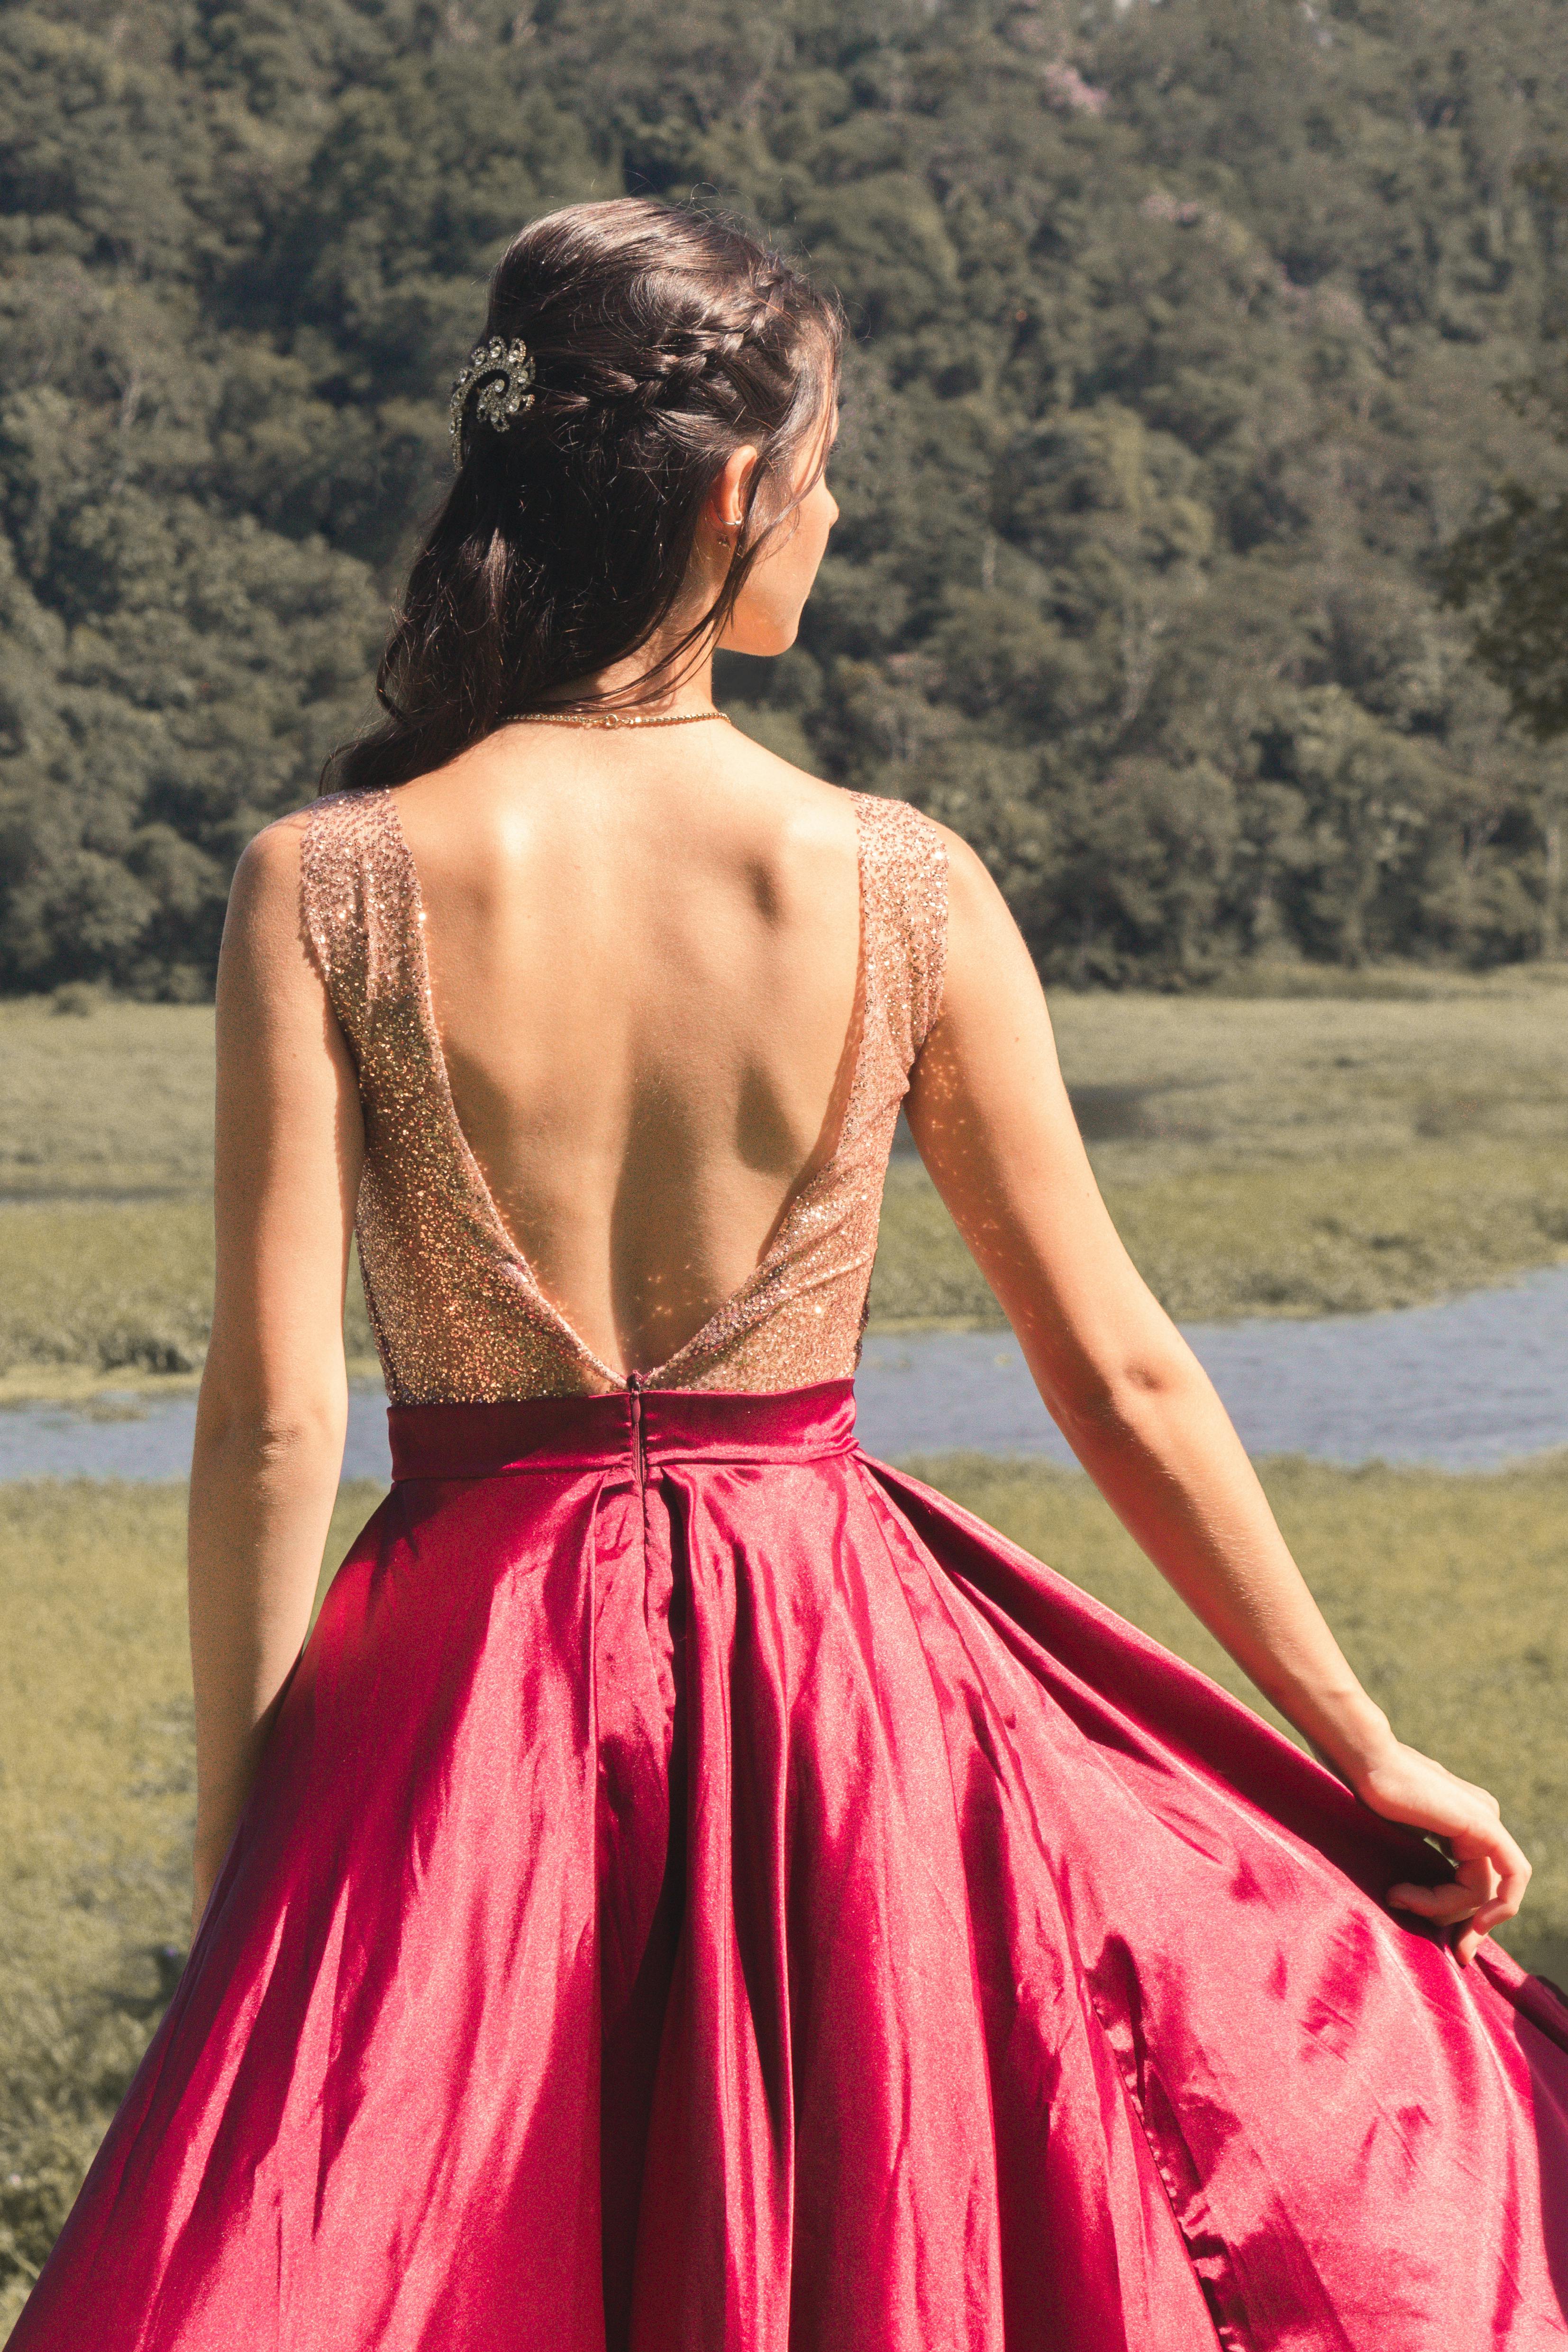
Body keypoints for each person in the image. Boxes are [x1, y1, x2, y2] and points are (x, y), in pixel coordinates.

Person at [13, 195, 1567, 2352]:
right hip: (837, 1676)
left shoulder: (328, 880)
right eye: (825, 470)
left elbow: (277, 1418)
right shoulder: (904, 883)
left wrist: (245, 1854)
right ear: (735, 493)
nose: (828, 517)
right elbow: (1112, 1366)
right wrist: (1356, 1738)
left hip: (464, 1687)